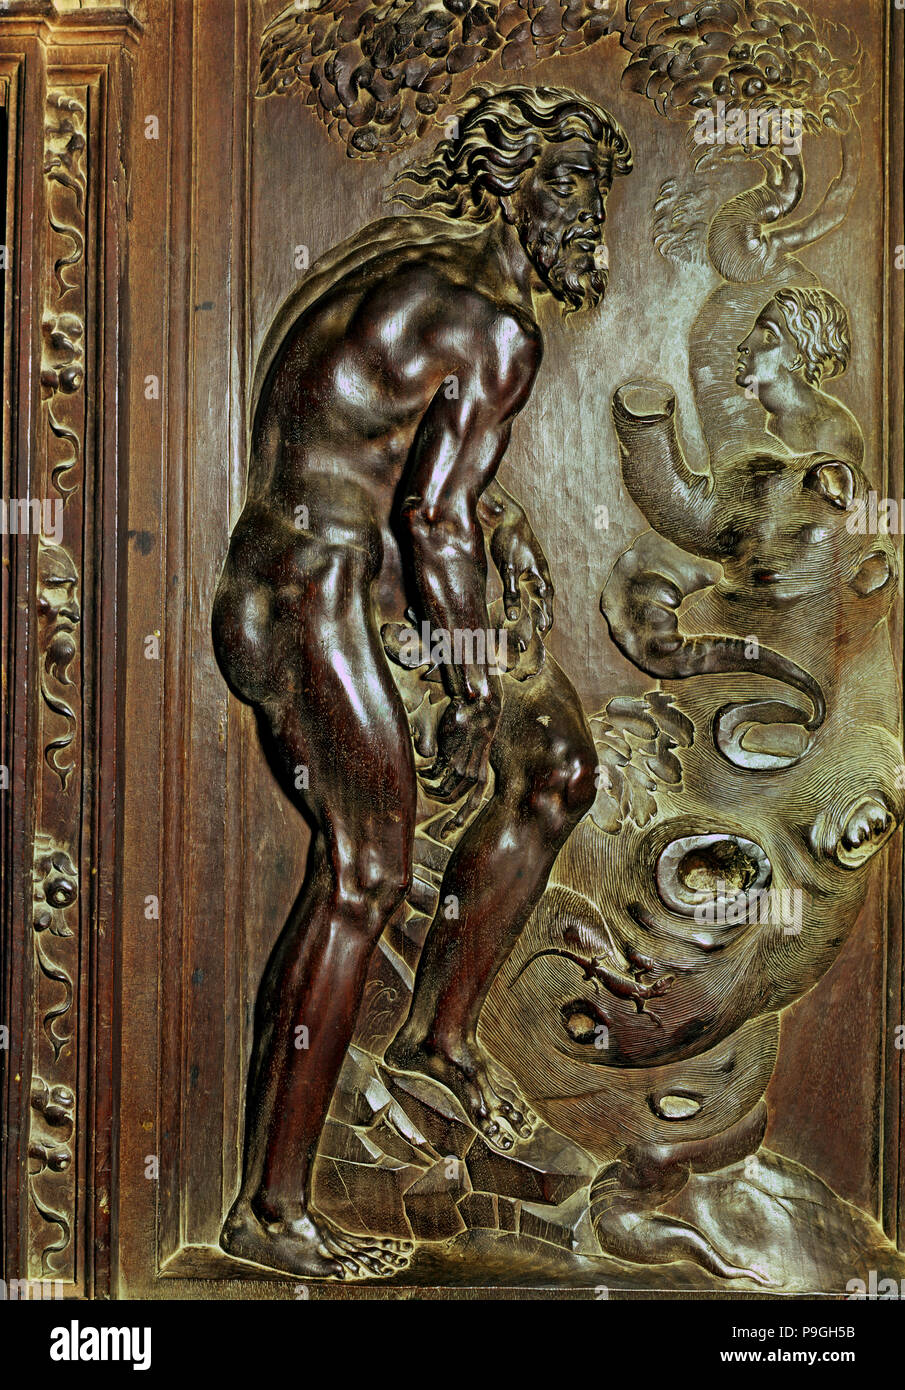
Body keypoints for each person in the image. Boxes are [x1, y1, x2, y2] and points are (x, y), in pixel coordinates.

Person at [212, 84, 633, 1278]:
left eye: (596, 196)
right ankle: (271, 1209)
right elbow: (434, 513)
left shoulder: (399, 258)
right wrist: (467, 681)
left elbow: (386, 457)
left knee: (554, 771)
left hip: (320, 570)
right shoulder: (494, 317)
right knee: (365, 876)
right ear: (510, 186)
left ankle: (434, 1042)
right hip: (319, 590)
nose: (587, 221)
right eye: (568, 189)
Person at [735, 286, 863, 463]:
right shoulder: (768, 422)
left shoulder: (831, 430)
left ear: (796, 358)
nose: (743, 345)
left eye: (768, 336)